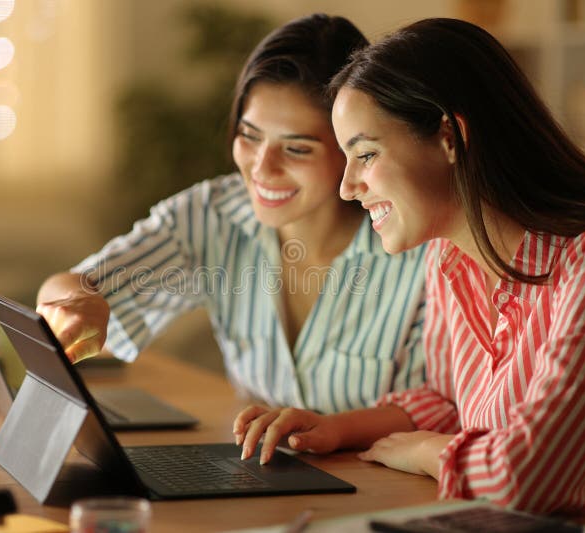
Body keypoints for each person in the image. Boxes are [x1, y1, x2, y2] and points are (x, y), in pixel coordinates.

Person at [233, 17, 585, 523]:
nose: (347, 187)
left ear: (450, 137)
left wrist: (428, 453)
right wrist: (336, 428)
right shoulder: (448, 259)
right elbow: (445, 396)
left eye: (366, 155)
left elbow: (529, 474)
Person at [35, 14, 428, 414]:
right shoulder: (212, 214)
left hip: (383, 475)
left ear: (352, 147)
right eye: (249, 136)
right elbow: (65, 287)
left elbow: (438, 410)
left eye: (297, 148)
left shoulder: (414, 241)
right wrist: (77, 302)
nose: (261, 168)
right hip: (264, 470)